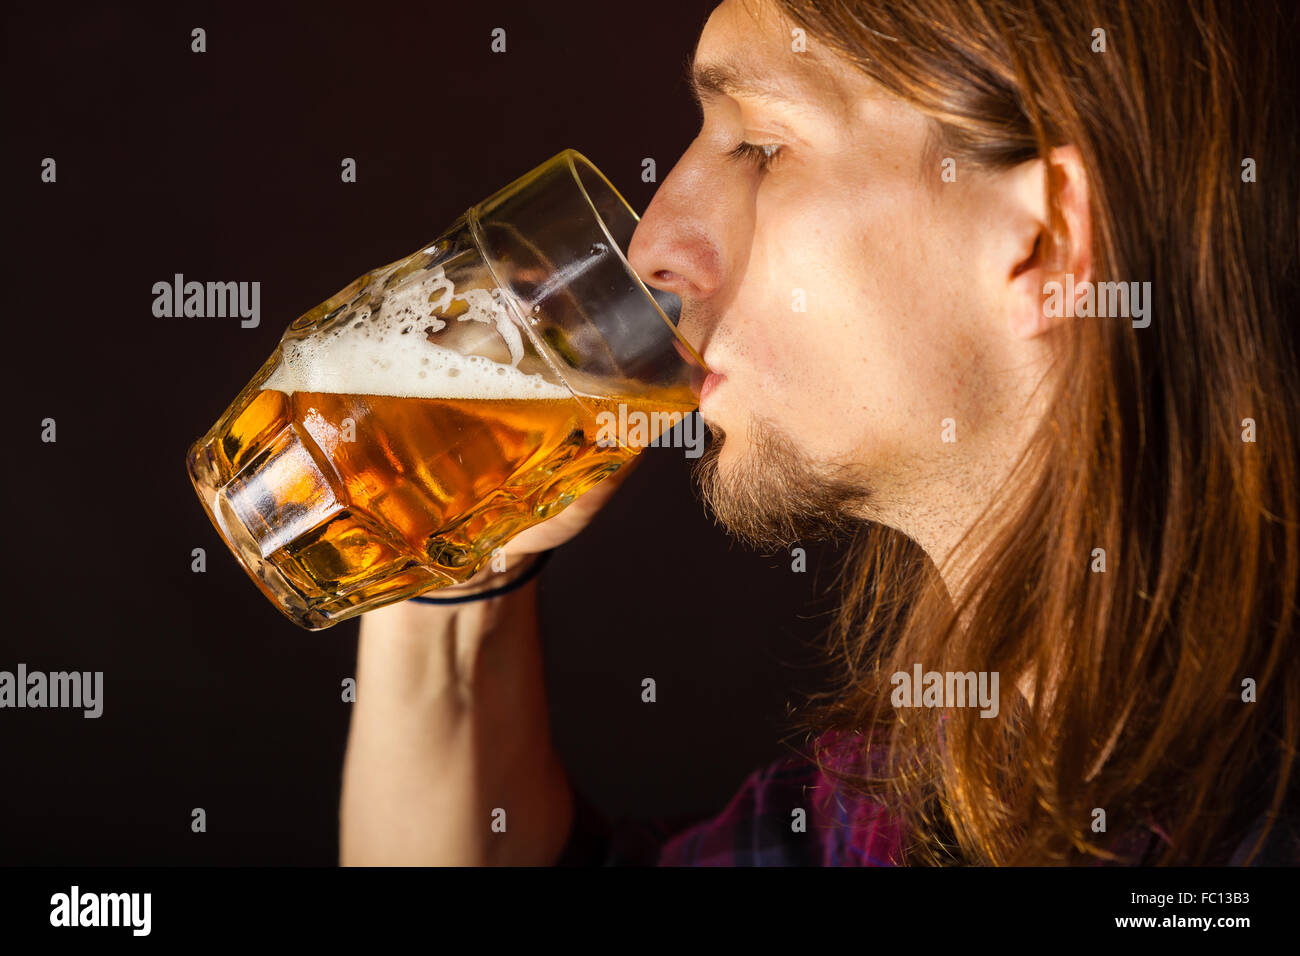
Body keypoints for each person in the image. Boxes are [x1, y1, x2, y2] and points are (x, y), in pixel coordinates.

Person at [339, 0, 1300, 866]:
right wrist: (455, 551)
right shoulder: (895, 799)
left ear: (1046, 243)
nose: (652, 246)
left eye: (759, 146)